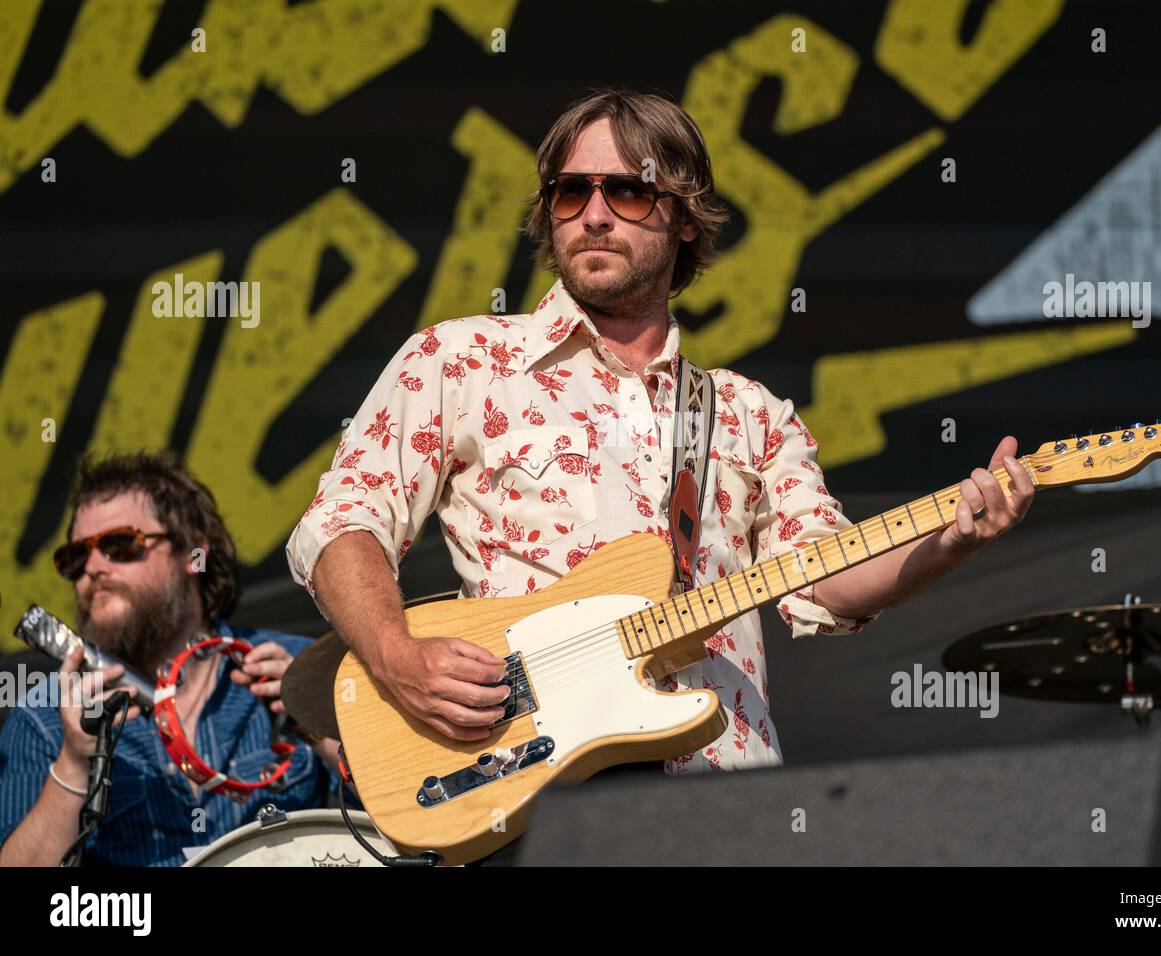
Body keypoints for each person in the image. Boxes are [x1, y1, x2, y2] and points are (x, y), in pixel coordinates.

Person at [286, 85, 1033, 781]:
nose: (595, 214)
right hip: (536, 788)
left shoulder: (751, 414)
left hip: (719, 804)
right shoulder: (464, 360)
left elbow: (826, 581)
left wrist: (953, 538)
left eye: (630, 190)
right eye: (571, 191)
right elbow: (343, 522)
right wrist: (395, 655)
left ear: (681, 215)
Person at [0, 451, 337, 867]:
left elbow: (401, 811)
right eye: (74, 558)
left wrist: (319, 726)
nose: (93, 566)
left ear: (193, 553)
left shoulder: (298, 667)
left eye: (119, 544)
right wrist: (72, 765)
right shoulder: (44, 715)